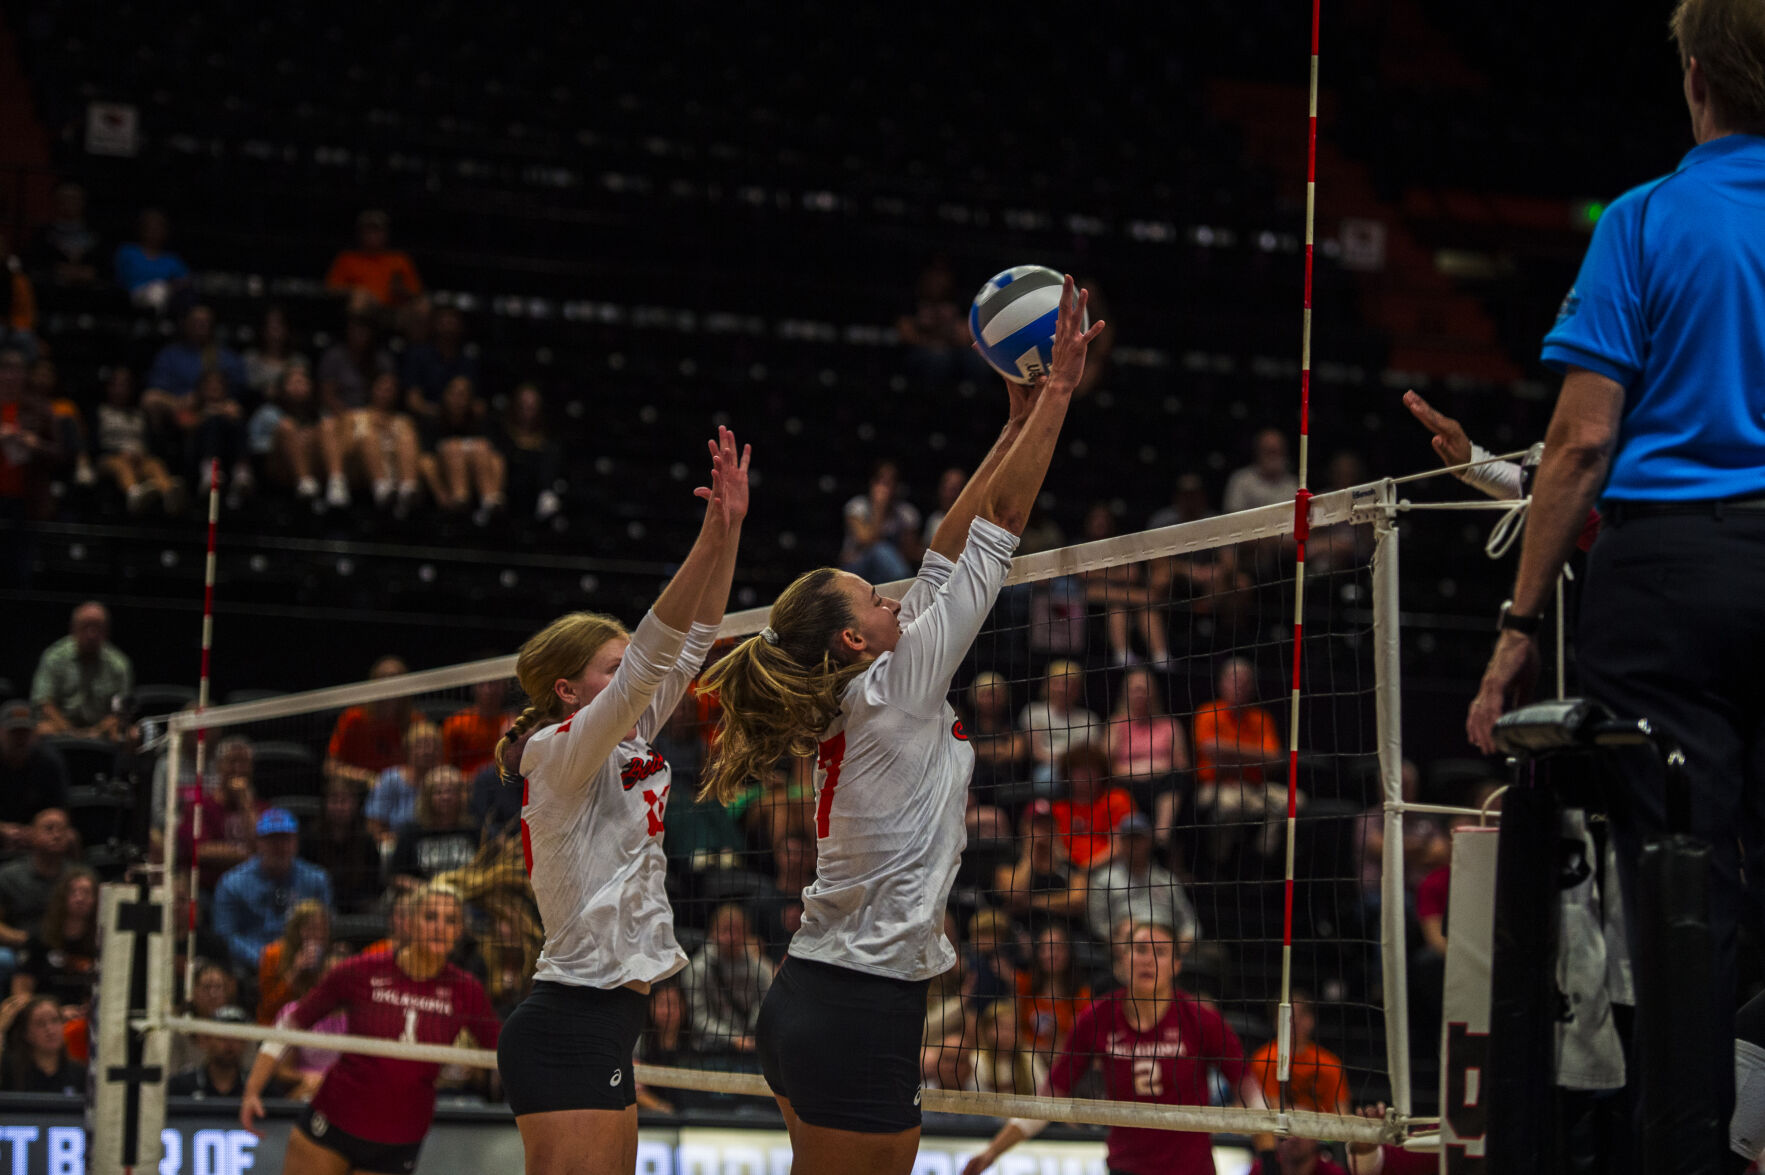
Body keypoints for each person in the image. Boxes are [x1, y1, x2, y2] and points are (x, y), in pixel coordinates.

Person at [698, 276, 1101, 1175]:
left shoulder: (873, 681)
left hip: (816, 995)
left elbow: (941, 552)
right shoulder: (899, 685)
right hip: (857, 1007)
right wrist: (1060, 396)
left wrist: (1009, 424)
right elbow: (996, 526)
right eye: (872, 597)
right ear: (852, 635)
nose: (892, 597)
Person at [1462, 9, 1765, 1163]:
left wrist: (1515, 625)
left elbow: (1582, 441)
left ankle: (1691, 1142)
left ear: (1694, 81)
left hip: (1668, 580)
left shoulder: (1643, 219)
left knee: (1681, 885)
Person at [496, 426, 747, 1174]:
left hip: (608, 1019)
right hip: (568, 1017)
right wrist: (703, 537)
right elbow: (646, 662)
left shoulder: (627, 737)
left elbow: (697, 638)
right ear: (567, 691)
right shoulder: (557, 750)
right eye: (605, 671)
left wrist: (729, 526)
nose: (625, 680)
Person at [962, 921, 1267, 1175]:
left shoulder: (1201, 1018)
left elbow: (1248, 1087)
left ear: (1176, 965)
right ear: (1123, 960)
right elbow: (1051, 1096)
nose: (1148, 960)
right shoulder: (1097, 1017)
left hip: (1191, 1169)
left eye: (1159, 952)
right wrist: (991, 1152)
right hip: (1126, 1167)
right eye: (1140, 950)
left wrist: (1268, 1157)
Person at [241, 886, 499, 1173]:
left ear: (460, 931)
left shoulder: (467, 990)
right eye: (430, 917)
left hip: (400, 1137)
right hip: (333, 1123)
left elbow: (500, 1051)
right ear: (410, 922)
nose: (440, 928)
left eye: (450, 920)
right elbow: (291, 1023)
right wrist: (253, 1088)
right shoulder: (360, 971)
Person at [1192, 657, 1291, 861]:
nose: (1239, 686)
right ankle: (1219, 863)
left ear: (1253, 687)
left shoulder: (1261, 718)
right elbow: (1210, 749)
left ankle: (1263, 859)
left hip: (1254, 786)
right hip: (1217, 787)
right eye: (1233, 680)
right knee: (1231, 806)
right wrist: (1255, 756)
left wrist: (1228, 751)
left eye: (1245, 682)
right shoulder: (1207, 713)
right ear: (1221, 683)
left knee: (1293, 801)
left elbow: (1274, 758)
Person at [212, 809, 333, 975]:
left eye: (285, 838)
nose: (279, 846)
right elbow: (225, 935)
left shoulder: (316, 880)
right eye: (272, 839)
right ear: (259, 842)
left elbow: (324, 928)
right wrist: (265, 959)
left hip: (305, 962)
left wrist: (307, 955)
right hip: (251, 966)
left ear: (296, 842)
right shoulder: (232, 883)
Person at [1085, 813, 1200, 953]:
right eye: (1128, 839)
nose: (1134, 844)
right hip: (1125, 944)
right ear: (1120, 841)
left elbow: (1190, 922)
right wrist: (1115, 941)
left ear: (1149, 841)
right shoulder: (1104, 879)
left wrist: (1181, 944)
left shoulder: (1166, 879)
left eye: (1138, 838)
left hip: (1166, 943)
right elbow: (1098, 923)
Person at [30, 600, 133, 739]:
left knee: (129, 734)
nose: (91, 634)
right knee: (41, 730)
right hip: (60, 726)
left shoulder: (119, 664)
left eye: (97, 627)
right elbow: (44, 703)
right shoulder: (54, 657)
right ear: (73, 628)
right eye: (86, 626)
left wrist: (96, 731)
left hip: (102, 730)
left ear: (107, 631)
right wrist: (69, 731)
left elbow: (120, 711)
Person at [682, 903, 772, 1057]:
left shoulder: (759, 968)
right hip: (708, 1050)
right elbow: (699, 1018)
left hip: (752, 1046)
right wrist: (733, 1039)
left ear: (747, 934)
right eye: (725, 930)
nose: (731, 937)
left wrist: (751, 1033)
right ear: (712, 933)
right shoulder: (698, 968)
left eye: (737, 931)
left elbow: (765, 1007)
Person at [92, 366, 182, 514]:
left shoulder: (140, 414)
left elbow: (151, 443)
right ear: (108, 387)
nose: (120, 390)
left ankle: (169, 496)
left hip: (139, 458)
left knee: (155, 464)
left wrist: (141, 455)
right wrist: (118, 453)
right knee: (121, 465)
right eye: (116, 385)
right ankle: (134, 495)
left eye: (125, 385)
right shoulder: (100, 412)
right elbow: (93, 444)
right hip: (109, 459)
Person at [419, 375, 506, 524]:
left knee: (482, 448)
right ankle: (459, 501)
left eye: (463, 395)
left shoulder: (481, 423)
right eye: (454, 394)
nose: (458, 400)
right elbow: (425, 460)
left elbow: (497, 459)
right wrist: (440, 494)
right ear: (445, 395)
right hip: (445, 477)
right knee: (453, 448)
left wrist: (497, 490)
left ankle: (490, 502)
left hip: (480, 476)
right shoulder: (433, 422)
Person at [994, 799, 1089, 934]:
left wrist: (1032, 902)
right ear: (1024, 828)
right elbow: (1016, 894)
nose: (1043, 830)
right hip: (1023, 933)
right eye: (1036, 824)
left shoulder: (1068, 864)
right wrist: (1029, 855)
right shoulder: (1009, 861)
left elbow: (1078, 901)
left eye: (1047, 824)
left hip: (1066, 934)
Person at [1247, 992, 1351, 1114]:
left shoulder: (1330, 1064)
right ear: (1276, 1021)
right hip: (1279, 1131)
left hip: (1321, 1130)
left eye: (1301, 1015)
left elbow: (1342, 1114)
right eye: (1288, 1016)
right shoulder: (1263, 1059)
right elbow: (1271, 1111)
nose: (1295, 1021)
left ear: (1311, 1020)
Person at [247, 366, 337, 507]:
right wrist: (290, 441)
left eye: (303, 383)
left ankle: (336, 482)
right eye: (294, 383)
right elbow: (255, 445)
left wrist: (309, 438)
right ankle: (304, 482)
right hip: (279, 466)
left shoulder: (320, 414)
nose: (299, 387)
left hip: (315, 464)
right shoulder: (267, 413)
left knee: (326, 426)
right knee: (287, 427)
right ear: (282, 388)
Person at [0, 809, 76, 973]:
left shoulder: (77, 878)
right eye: (49, 828)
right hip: (19, 948)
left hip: (67, 949)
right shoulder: (9, 875)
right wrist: (26, 940)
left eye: (62, 830)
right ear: (32, 834)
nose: (56, 835)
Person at [11, 866, 97, 1009]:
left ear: (96, 899)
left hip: (87, 1016)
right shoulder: (39, 938)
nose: (79, 898)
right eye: (73, 892)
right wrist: (57, 1014)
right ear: (62, 897)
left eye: (86, 893)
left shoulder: (103, 941)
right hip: (48, 1016)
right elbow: (21, 993)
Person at [324, 657, 415, 788]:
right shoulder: (353, 719)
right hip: (360, 790)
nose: (389, 683)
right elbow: (331, 767)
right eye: (383, 678)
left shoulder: (416, 721)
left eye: (395, 677)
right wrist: (368, 778)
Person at [387, 765, 479, 888]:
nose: (445, 797)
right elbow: (397, 876)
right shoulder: (411, 832)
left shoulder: (473, 829)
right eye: (438, 792)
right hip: (424, 896)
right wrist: (427, 890)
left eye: (450, 791)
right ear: (427, 798)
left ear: (461, 796)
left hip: (469, 894)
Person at [300, 777, 381, 913]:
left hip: (359, 907)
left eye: (344, 802)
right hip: (318, 904)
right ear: (325, 804)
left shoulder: (366, 840)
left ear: (354, 805)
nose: (339, 807)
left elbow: (374, 883)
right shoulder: (310, 838)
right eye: (334, 801)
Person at [1018, 660, 1104, 788]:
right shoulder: (1033, 712)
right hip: (1048, 767)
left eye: (1069, 683)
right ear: (1047, 685)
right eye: (1057, 683)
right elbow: (1038, 753)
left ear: (1078, 688)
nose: (1063, 688)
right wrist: (1066, 761)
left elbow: (1089, 753)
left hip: (1080, 769)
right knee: (1047, 778)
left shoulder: (1088, 718)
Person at [1051, 744, 1137, 873]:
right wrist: (1072, 869)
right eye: (1078, 770)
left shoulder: (1116, 800)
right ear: (1067, 775)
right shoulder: (1059, 808)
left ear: (1102, 773)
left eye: (1091, 769)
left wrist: (1086, 868)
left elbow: (1120, 847)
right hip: (1066, 870)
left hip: (1110, 868)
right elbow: (1056, 846)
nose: (1085, 775)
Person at [143, 304, 246, 404]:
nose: (201, 325)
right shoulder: (169, 355)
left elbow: (238, 389)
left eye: (205, 322)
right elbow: (157, 385)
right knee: (150, 398)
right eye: (196, 321)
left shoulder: (227, 357)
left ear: (213, 325)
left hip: (218, 406)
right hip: (179, 404)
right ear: (185, 323)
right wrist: (181, 401)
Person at [839, 459, 921, 585]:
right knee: (879, 549)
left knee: (884, 551)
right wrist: (879, 509)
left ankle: (904, 585)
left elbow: (910, 554)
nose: (886, 487)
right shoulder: (857, 507)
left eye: (890, 482)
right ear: (873, 483)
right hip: (857, 569)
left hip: (886, 572)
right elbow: (866, 540)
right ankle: (906, 586)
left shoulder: (906, 513)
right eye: (882, 481)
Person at [0, 705, 70, 848]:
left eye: (25, 732)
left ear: (36, 735)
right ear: (1, 733)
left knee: (71, 838)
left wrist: (37, 830)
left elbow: (60, 809)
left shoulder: (49, 761)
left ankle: (74, 871)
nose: (20, 739)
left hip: (39, 831)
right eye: (14, 732)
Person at [324, 210, 423, 307]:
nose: (372, 236)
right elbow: (331, 289)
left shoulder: (399, 259)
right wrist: (356, 291)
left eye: (377, 231)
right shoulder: (347, 259)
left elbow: (417, 292)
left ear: (386, 234)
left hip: (395, 310)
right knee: (360, 298)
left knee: (423, 304)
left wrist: (402, 290)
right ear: (360, 234)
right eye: (368, 231)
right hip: (365, 310)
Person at [366, 719, 440, 846]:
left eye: (430, 745)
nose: (426, 751)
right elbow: (374, 826)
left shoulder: (443, 779)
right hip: (398, 848)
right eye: (419, 745)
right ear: (408, 749)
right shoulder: (390, 779)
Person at [255, 899, 331, 1024]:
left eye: (323, 929)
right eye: (311, 929)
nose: (318, 935)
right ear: (296, 930)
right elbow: (269, 1007)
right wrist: (295, 970)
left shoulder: (330, 958)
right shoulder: (273, 954)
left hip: (316, 1026)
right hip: (275, 1025)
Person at [168, 1005, 268, 1099]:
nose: (230, 1043)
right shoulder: (181, 1087)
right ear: (207, 1039)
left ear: (245, 1042)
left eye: (237, 1036)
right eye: (222, 1036)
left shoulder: (261, 1088)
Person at [400, 304, 478, 416]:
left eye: (452, 321)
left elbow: (477, 403)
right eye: (443, 321)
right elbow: (413, 401)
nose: (448, 326)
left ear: (461, 326)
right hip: (427, 419)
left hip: (460, 421)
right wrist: (443, 414)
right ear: (434, 324)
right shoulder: (418, 355)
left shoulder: (469, 360)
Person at [0, 994, 83, 1094]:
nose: (50, 1030)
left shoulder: (79, 1073)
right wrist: (2, 1028)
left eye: (55, 1020)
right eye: (40, 1023)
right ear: (26, 1034)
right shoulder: (10, 1069)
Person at [114, 208, 190, 311]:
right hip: (133, 295)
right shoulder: (128, 252)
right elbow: (122, 279)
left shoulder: (171, 259)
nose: (154, 232)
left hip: (165, 295)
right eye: (150, 227)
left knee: (160, 290)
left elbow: (184, 281)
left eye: (159, 228)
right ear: (141, 229)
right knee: (156, 291)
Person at [26, 182, 99, 285]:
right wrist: (55, 271)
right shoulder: (42, 235)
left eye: (74, 198)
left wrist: (90, 272)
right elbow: (31, 267)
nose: (69, 203)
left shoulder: (97, 235)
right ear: (55, 201)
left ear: (83, 201)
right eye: (64, 199)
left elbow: (107, 269)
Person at [442, 678, 513, 775]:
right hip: (464, 783)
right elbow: (445, 764)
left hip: (502, 780)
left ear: (505, 687)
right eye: (482, 684)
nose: (488, 690)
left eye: (494, 684)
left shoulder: (512, 722)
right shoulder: (456, 722)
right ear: (474, 688)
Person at [1224, 427, 1300, 515]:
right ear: (1257, 452)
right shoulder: (1241, 481)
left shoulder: (1294, 485)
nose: (1273, 458)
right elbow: (1231, 518)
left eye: (1276, 452)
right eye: (1268, 452)